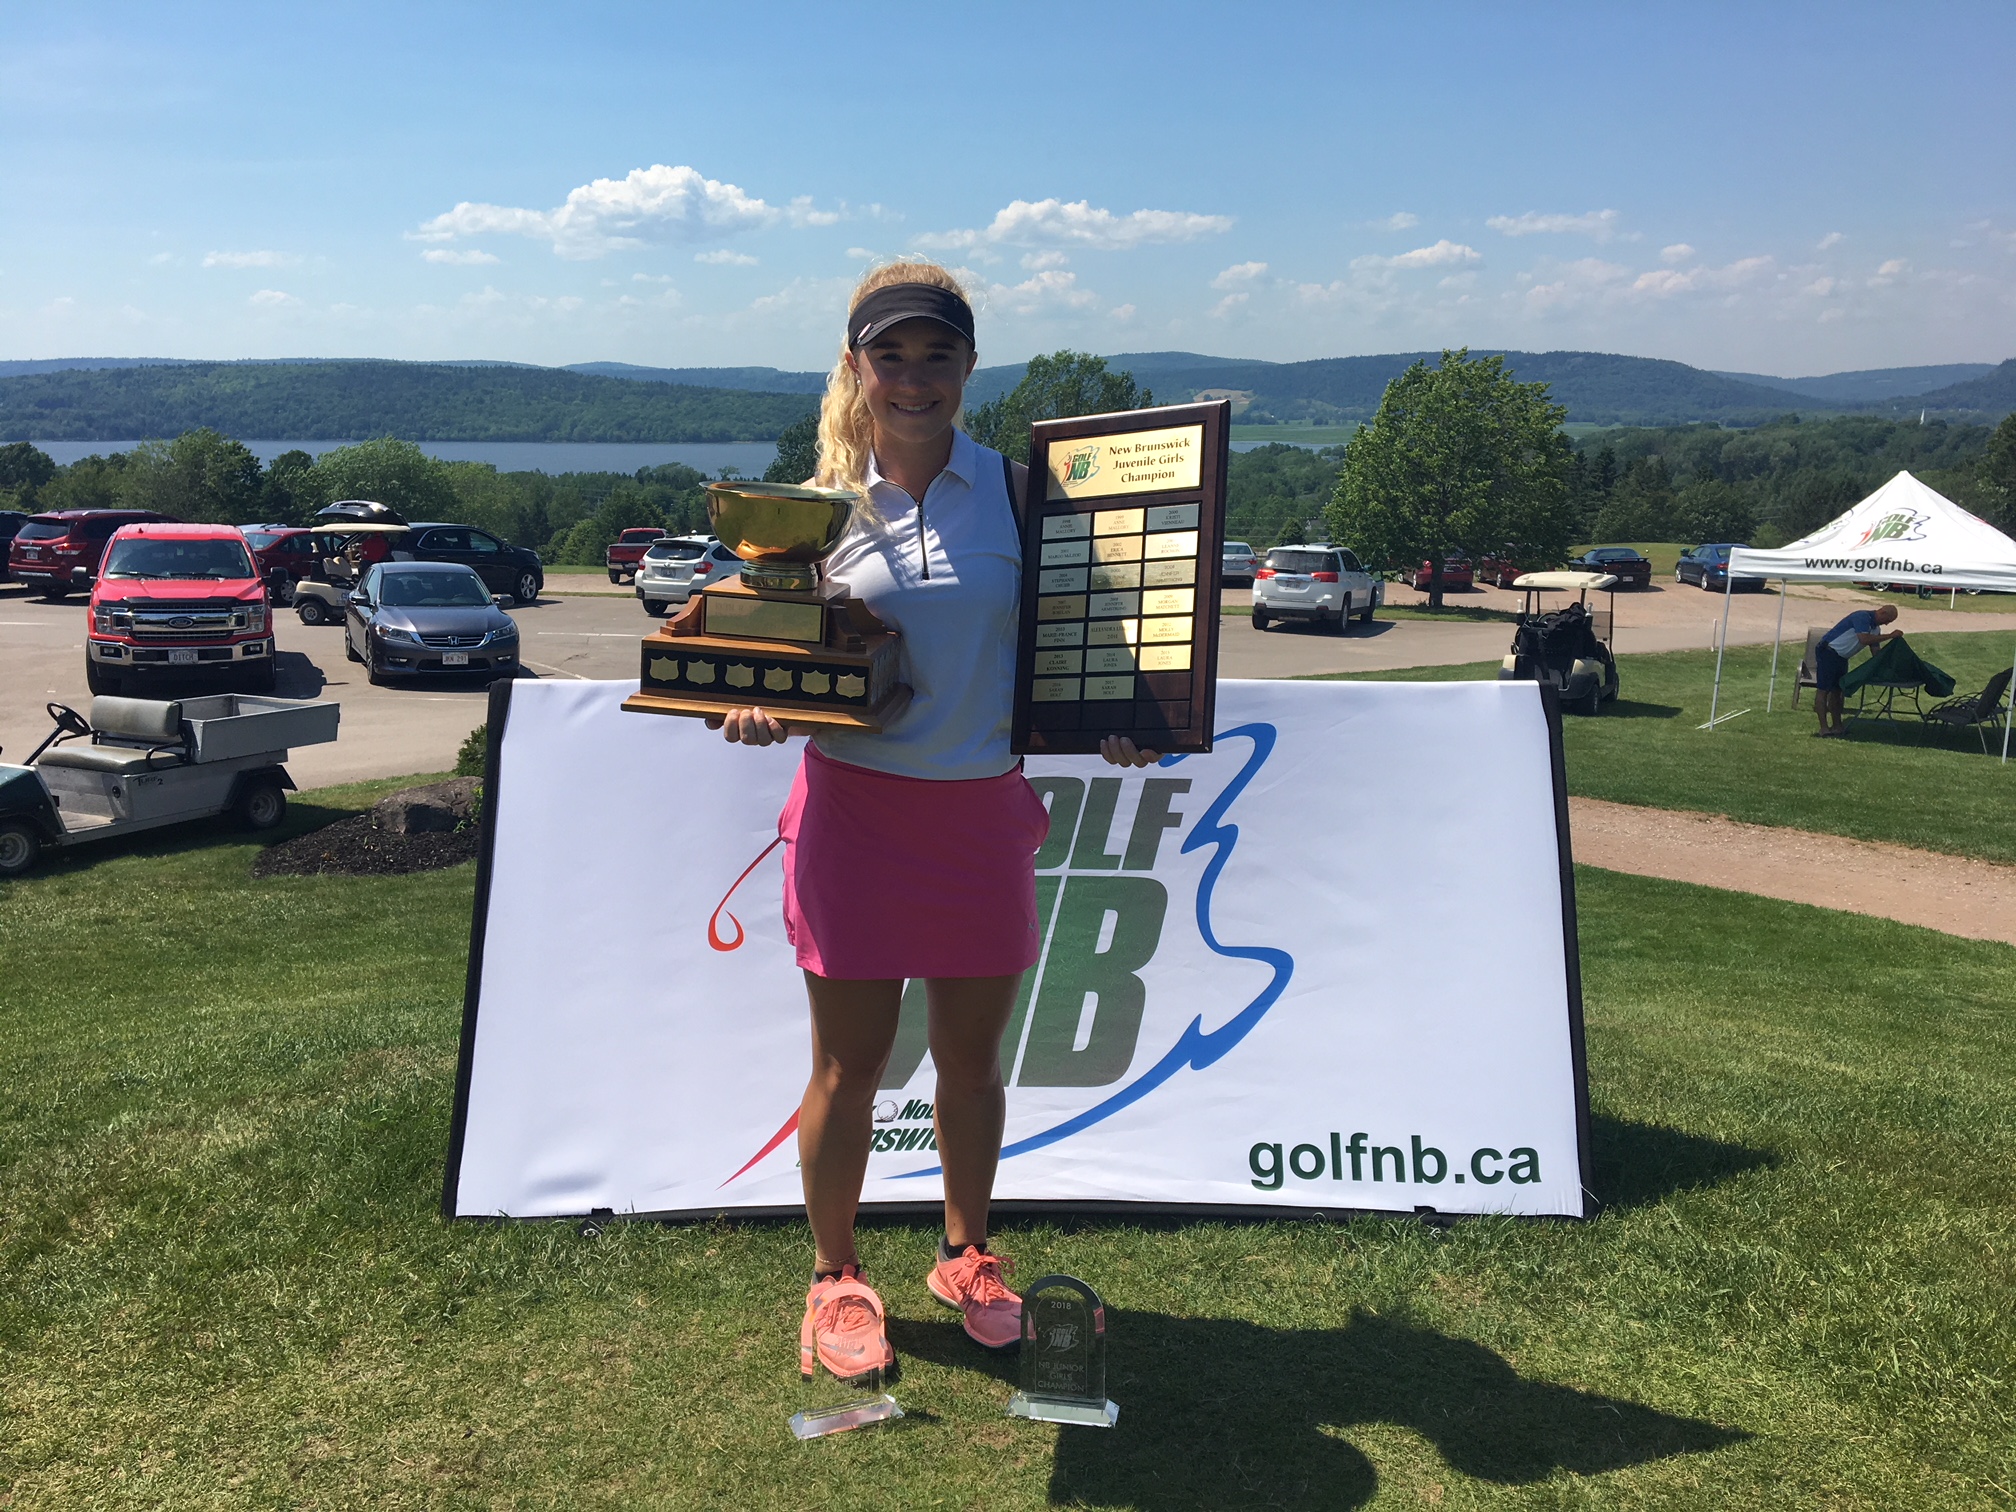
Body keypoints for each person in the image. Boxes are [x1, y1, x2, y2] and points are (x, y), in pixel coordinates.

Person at [707, 262, 1157, 1385]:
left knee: (970, 1063)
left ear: (968, 365)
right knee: (847, 1067)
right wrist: (759, 704)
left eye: (937, 355)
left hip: (978, 815)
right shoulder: (812, 509)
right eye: (891, 355)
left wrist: (1121, 715)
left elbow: (1086, 638)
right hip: (854, 815)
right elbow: (761, 658)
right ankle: (834, 1277)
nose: (914, 378)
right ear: (856, 366)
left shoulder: (1021, 493)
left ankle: (965, 1257)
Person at [1813, 602, 1901, 736]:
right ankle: (1824, 728)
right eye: (1887, 620)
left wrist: (1889, 662)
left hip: (1842, 657)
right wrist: (1890, 636)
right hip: (1828, 652)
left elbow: (1876, 651)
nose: (1887, 624)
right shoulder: (1862, 617)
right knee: (1823, 690)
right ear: (1882, 612)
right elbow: (1864, 639)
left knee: (1838, 691)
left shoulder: (1875, 629)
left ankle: (1837, 726)